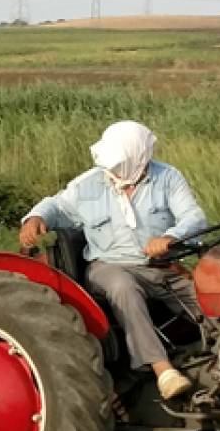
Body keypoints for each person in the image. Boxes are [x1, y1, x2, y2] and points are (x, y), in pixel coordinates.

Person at [18, 120, 207, 401]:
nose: (113, 170)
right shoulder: (89, 184)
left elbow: (194, 217)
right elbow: (57, 205)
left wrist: (170, 236)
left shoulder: (167, 178)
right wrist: (36, 217)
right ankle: (162, 370)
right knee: (122, 285)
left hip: (157, 267)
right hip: (107, 267)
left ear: (139, 156)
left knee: (212, 299)